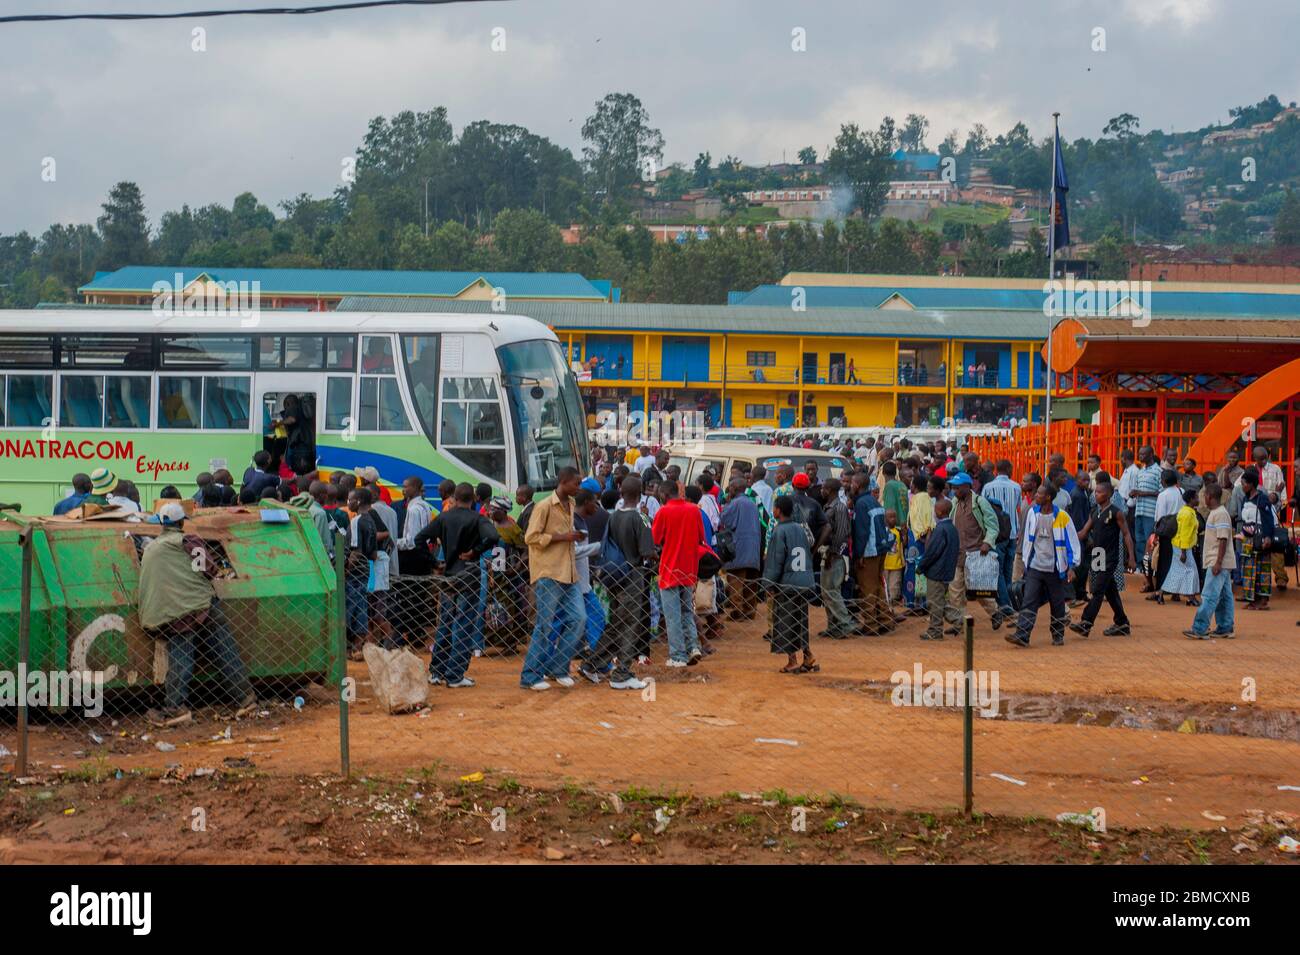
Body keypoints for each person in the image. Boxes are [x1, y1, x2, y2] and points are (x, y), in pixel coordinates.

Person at [139, 502, 255, 726]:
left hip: (168, 611)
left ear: (163, 524)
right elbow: (209, 568)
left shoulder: (151, 548)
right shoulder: (187, 540)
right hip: (200, 605)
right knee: (224, 649)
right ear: (182, 522)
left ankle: (176, 707)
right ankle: (244, 698)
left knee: (181, 654)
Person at [417, 483, 499, 687]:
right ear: (473, 499)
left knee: (445, 621)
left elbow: (419, 538)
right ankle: (455, 675)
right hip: (469, 574)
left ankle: (437, 671)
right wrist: (475, 551)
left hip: (448, 575)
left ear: (454, 497)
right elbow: (493, 536)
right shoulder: (477, 518)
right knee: (464, 622)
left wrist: (434, 563)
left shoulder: (444, 517)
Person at [583, 476, 654, 688]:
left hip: (613, 576)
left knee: (616, 621)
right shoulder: (641, 518)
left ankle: (592, 663)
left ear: (621, 494)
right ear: (640, 494)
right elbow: (647, 551)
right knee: (631, 623)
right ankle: (622, 672)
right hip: (633, 574)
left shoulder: (612, 517)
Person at [520, 467, 586, 690]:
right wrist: (563, 537)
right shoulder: (544, 506)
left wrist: (572, 537)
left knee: (579, 619)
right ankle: (530, 675)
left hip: (569, 573)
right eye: (576, 483)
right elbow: (531, 537)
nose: (578, 487)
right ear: (564, 481)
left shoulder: (572, 504)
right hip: (549, 572)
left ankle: (558, 667)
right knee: (544, 626)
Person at [1007, 483, 1081, 647]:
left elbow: (1073, 542)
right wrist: (1027, 562)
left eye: (1039, 494)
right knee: (1029, 600)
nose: (1035, 496)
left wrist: (1072, 566)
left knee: (1057, 603)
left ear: (1048, 497)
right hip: (1035, 566)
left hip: (1055, 569)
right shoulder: (1033, 513)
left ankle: (1057, 635)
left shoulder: (1062, 517)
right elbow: (1027, 539)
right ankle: (1022, 635)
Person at [1070, 476, 1136, 638]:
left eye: (1099, 492)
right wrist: (1066, 537)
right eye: (1095, 492)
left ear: (1108, 494)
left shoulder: (1116, 512)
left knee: (1098, 590)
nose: (1095, 494)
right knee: (1110, 590)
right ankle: (1122, 623)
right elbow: (1084, 533)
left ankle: (1086, 623)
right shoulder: (1094, 512)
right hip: (1097, 556)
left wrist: (1132, 558)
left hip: (1110, 557)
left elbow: (1126, 534)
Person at [652, 478, 705, 667]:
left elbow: (655, 539)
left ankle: (678, 656)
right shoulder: (694, 510)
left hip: (669, 569)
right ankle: (693, 647)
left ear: (665, 495)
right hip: (689, 568)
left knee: (672, 615)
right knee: (686, 611)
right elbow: (701, 537)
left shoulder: (663, 511)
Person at [762, 495, 817, 673]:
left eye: (774, 507)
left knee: (785, 621)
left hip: (787, 583)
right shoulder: (800, 529)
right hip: (803, 580)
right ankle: (808, 655)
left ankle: (792, 660)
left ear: (778, 510)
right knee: (801, 620)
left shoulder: (779, 531)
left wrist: (769, 584)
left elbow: (775, 561)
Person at [945, 472, 1004, 633]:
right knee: (955, 591)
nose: (954, 490)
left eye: (957, 487)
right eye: (953, 487)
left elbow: (993, 526)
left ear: (966, 487)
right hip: (958, 554)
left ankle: (995, 613)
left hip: (976, 553)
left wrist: (987, 542)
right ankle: (960, 624)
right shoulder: (955, 503)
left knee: (978, 590)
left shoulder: (979, 502)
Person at [1185, 485, 1236, 639]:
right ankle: (1225, 627)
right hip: (1221, 561)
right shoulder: (1218, 513)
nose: (1202, 499)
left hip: (1217, 561)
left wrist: (1218, 562)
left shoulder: (1219, 514)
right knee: (1224, 596)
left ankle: (1200, 628)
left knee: (1209, 595)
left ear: (1209, 496)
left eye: (1204, 496)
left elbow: (1222, 539)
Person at [850, 473, 895, 635]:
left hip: (869, 552)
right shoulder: (872, 501)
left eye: (851, 483)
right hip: (880, 548)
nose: (850, 486)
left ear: (856, 484)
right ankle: (884, 620)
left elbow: (861, 532)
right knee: (877, 585)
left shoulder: (861, 504)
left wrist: (859, 554)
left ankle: (870, 624)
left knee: (867, 588)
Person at [817, 478, 855, 638]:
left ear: (830, 490)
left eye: (824, 488)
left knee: (832, 590)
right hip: (829, 553)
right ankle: (833, 626)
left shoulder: (839, 508)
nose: (821, 490)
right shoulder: (829, 506)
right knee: (827, 591)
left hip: (835, 555)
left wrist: (833, 553)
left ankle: (845, 624)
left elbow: (841, 534)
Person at [917, 497, 959, 641]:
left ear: (940, 512)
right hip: (946, 571)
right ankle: (961, 620)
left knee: (934, 602)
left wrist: (921, 566)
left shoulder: (941, 529)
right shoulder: (952, 528)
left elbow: (932, 552)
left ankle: (935, 630)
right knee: (939, 601)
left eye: (935, 510)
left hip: (937, 571)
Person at [721, 479, 762, 620]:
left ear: (734, 488)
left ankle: (737, 611)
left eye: (730, 487)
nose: (728, 489)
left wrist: (726, 504)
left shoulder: (735, 503)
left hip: (739, 548)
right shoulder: (752, 503)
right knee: (751, 582)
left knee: (736, 581)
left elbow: (725, 519)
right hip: (754, 548)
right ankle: (750, 611)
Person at [1238, 467, 1274, 611]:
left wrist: (1267, 537)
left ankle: (1262, 601)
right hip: (1248, 540)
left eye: (1244, 483)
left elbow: (1268, 520)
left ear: (1252, 484)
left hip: (1260, 539)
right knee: (1249, 570)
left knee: (1260, 570)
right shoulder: (1246, 498)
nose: (1242, 485)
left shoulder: (1262, 498)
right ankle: (1252, 600)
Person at [1162, 489, 1203, 604]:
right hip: (1182, 547)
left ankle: (1160, 593)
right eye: (1196, 497)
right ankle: (1191, 597)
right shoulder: (1187, 514)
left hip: (1182, 546)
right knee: (1191, 571)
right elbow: (1184, 534)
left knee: (1176, 571)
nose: (1198, 500)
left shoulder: (1188, 511)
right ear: (1191, 499)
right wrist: (1184, 552)